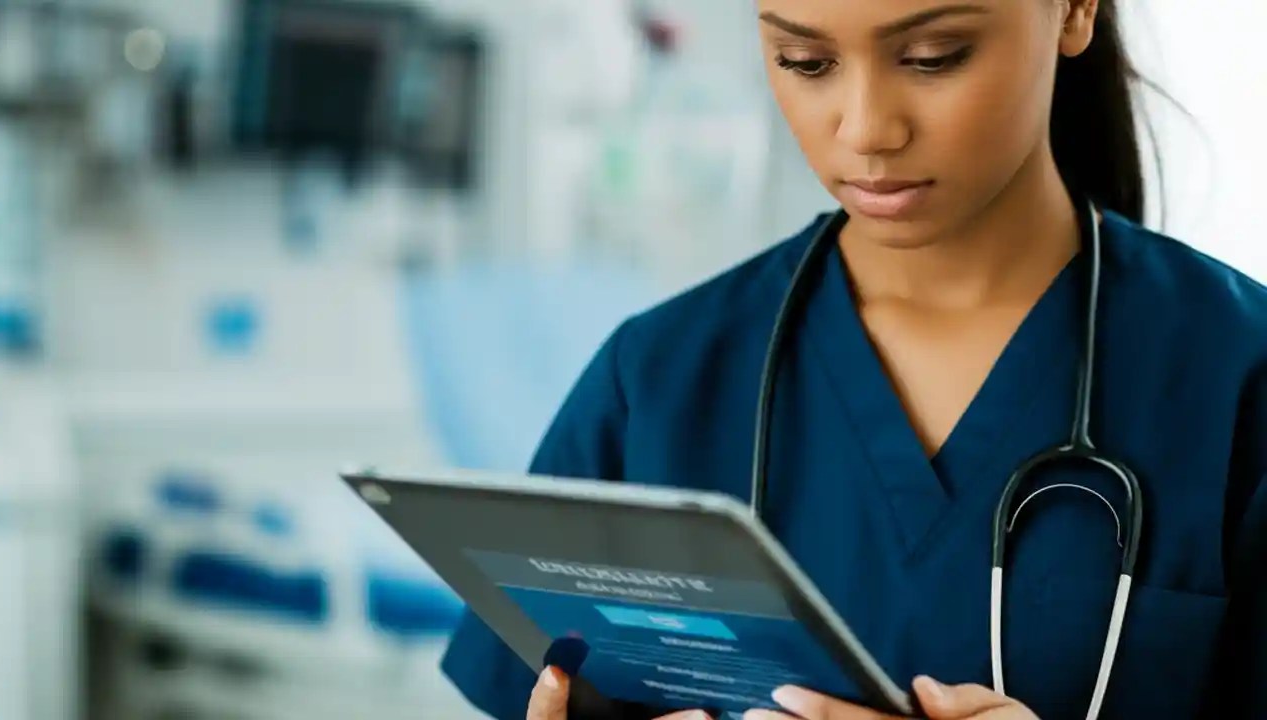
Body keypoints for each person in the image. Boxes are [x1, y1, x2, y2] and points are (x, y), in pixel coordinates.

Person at [440, 0, 1267, 718]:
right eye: (807, 62)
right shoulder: (657, 381)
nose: (867, 128)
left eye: (933, 58)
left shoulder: (1237, 375)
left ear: (1076, 9)